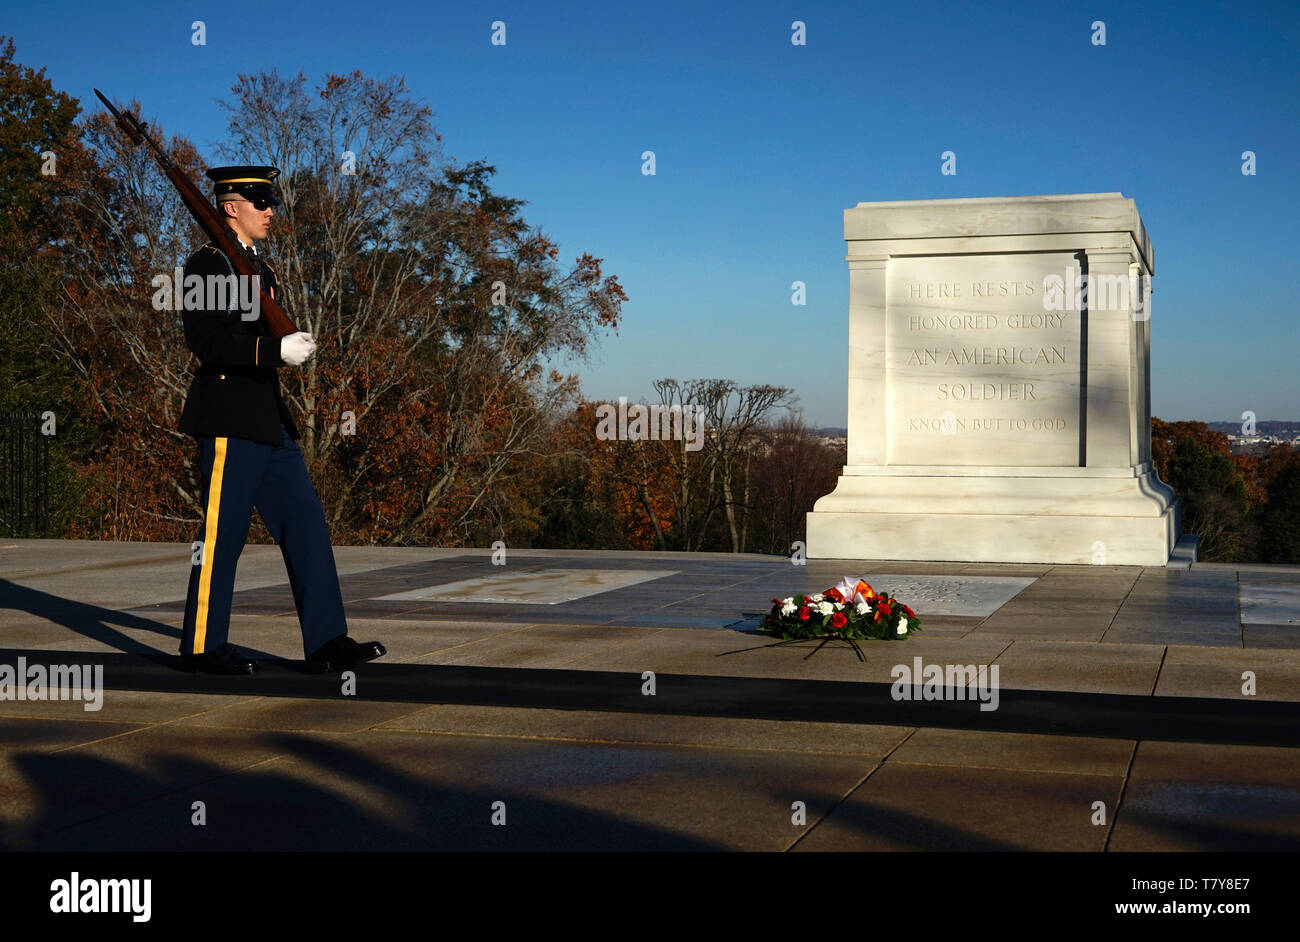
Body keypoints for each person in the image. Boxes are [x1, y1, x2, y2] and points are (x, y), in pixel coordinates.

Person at [176, 165, 385, 674]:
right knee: (222, 537)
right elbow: (207, 343)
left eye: (272, 202)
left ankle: (327, 641)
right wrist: (274, 349)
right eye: (260, 201)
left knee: (306, 524)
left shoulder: (259, 269)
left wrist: (283, 347)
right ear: (230, 207)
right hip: (229, 418)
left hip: (270, 420)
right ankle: (202, 646)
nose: (271, 211)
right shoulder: (207, 266)